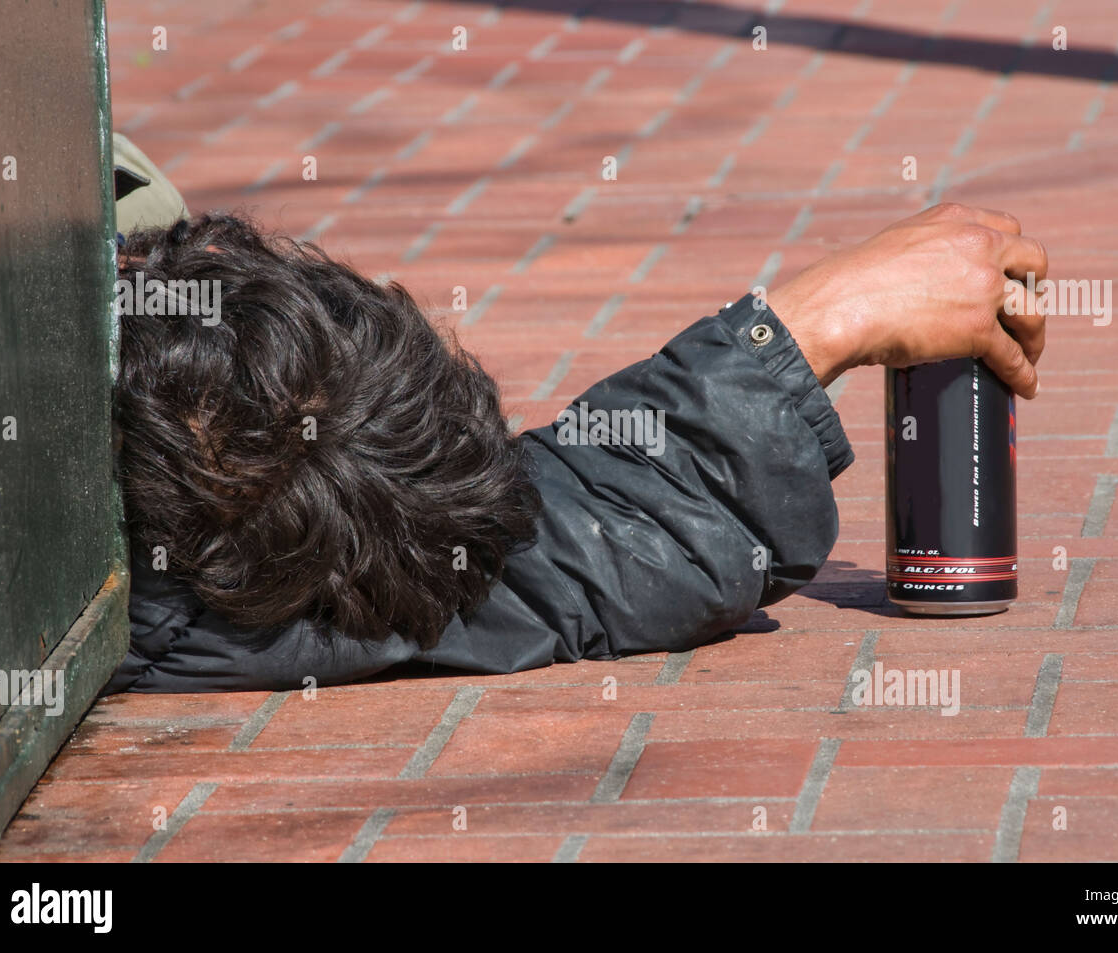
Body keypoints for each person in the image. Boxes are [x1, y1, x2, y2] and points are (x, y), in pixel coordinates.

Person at [105, 135, 1046, 693]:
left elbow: (518, 555)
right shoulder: (161, 600)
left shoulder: (172, 570)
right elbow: (545, 563)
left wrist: (808, 328)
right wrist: (810, 325)